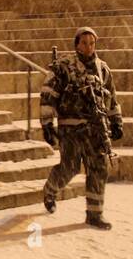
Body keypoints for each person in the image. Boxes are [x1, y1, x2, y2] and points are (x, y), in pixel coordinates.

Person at [40, 26, 123, 230]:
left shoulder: (102, 68)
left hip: (96, 128)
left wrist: (116, 121)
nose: (88, 47)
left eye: (92, 43)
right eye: (84, 43)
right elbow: (49, 94)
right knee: (70, 167)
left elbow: (111, 97)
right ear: (77, 44)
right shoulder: (63, 67)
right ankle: (50, 190)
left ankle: (95, 214)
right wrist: (47, 124)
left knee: (99, 168)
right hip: (71, 128)